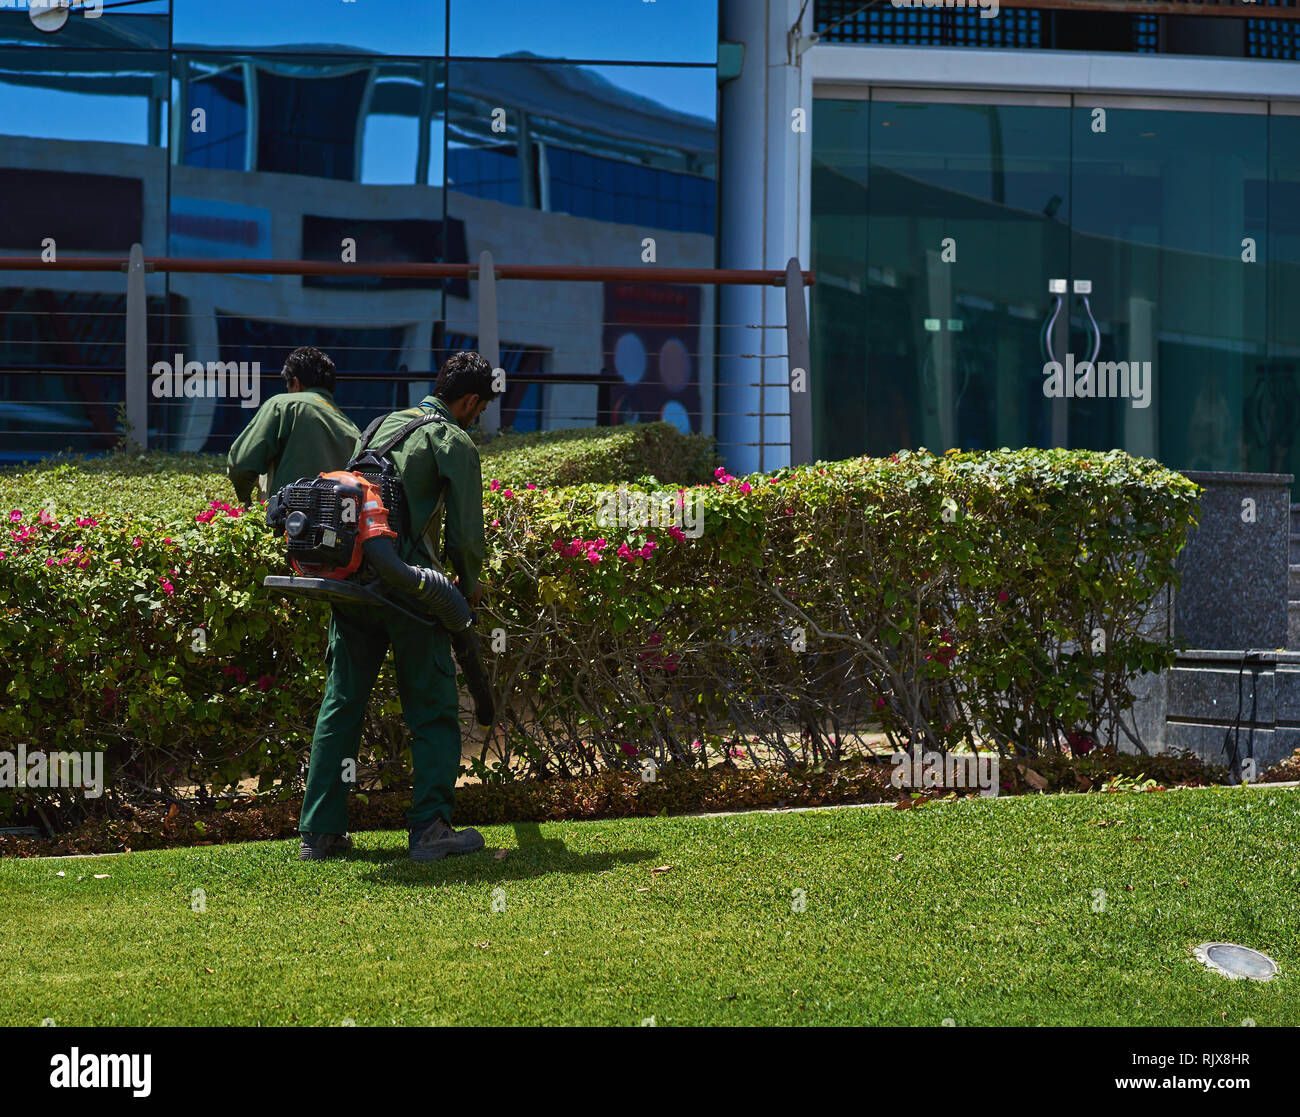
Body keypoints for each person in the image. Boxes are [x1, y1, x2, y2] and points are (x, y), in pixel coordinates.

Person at [299, 350, 497, 863]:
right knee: (431, 709)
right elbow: (467, 538)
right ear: (471, 400)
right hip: (412, 591)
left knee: (341, 704)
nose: (477, 419)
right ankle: (430, 830)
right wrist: (469, 586)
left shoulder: (380, 424)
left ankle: (320, 832)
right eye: (479, 410)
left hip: (353, 584)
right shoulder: (451, 439)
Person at [227, 346, 360, 505]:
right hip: (337, 526)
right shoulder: (353, 429)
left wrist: (246, 500)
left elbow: (241, 465)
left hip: (287, 524)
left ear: (295, 383)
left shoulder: (284, 405)